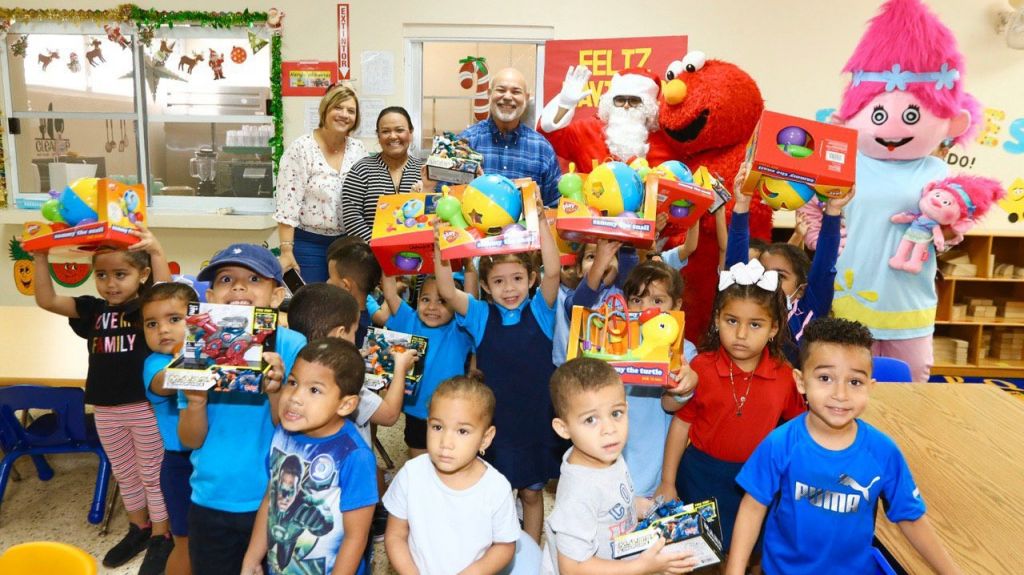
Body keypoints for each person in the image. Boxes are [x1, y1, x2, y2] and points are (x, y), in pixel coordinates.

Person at [727, 317, 962, 575]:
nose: (840, 394)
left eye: (855, 382)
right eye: (825, 378)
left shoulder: (883, 452)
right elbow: (752, 509)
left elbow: (910, 516)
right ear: (801, 381)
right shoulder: (780, 444)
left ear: (870, 387)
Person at [830, 0, 980, 381]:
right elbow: (815, 211)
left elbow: (951, 227)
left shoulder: (936, 168)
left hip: (908, 303)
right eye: (877, 114)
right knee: (843, 393)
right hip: (848, 296)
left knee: (909, 391)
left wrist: (947, 229)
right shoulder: (847, 161)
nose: (893, 127)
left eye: (911, 115)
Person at [31, 230, 173, 575]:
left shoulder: (145, 308)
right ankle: (137, 528)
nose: (110, 284)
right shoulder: (92, 311)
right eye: (102, 275)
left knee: (153, 474)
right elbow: (47, 300)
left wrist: (155, 251)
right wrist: (39, 257)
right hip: (106, 409)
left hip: (143, 406)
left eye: (120, 274)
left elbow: (167, 296)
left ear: (141, 275)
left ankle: (161, 535)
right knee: (124, 473)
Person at [433, 197, 564, 544]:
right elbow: (447, 290)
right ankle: (497, 552)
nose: (510, 288)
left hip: (536, 418)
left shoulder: (540, 310)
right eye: (500, 281)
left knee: (532, 494)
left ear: (531, 278)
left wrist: (543, 223)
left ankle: (531, 554)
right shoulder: (479, 315)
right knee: (498, 495)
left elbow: (555, 271)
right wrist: (439, 242)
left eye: (518, 278)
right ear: (487, 286)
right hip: (497, 424)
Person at [656, 259, 805, 552]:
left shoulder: (785, 375)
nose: (740, 334)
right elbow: (681, 425)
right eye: (732, 321)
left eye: (755, 324)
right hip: (700, 476)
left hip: (757, 480)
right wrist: (667, 481)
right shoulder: (701, 366)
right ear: (716, 320)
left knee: (748, 553)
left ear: (774, 328)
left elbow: (798, 431)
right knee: (694, 554)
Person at [177, 244, 306, 575]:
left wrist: (278, 391)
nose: (238, 287)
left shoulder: (292, 345)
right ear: (211, 296)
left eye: (253, 278)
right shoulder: (197, 346)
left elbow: (296, 429)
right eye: (225, 279)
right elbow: (190, 440)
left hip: (273, 497)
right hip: (210, 496)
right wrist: (195, 401)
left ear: (276, 296)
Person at [543, 357, 699, 575]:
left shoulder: (607, 455)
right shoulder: (577, 493)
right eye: (590, 420)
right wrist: (641, 567)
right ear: (563, 428)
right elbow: (573, 568)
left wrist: (641, 506)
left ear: (627, 409)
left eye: (616, 414)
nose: (609, 429)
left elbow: (610, 504)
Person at [241, 339, 378, 575]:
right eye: (293, 382)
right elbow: (271, 499)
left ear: (346, 404)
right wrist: (253, 558)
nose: (295, 397)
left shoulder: (354, 455)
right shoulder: (283, 433)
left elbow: (357, 537)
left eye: (314, 390)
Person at [384, 375, 521, 574]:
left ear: (485, 438)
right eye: (437, 427)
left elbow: (505, 546)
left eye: (462, 431)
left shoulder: (496, 488)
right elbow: (395, 535)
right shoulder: (411, 474)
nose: (446, 442)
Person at [726, 164, 855, 365]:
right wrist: (741, 204)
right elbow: (735, 262)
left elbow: (823, 266)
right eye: (762, 273)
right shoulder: (744, 302)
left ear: (801, 290)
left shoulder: (808, 309)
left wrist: (832, 211)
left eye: (780, 276)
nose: (768, 279)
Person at [274, 84, 368, 282]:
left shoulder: (358, 150)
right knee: (314, 304)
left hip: (348, 243)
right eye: (338, 107)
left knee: (348, 304)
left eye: (351, 111)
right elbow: (287, 205)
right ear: (325, 109)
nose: (344, 114)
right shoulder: (302, 148)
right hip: (310, 243)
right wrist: (286, 250)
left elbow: (367, 196)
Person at [140, 282, 200, 575]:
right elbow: (165, 382)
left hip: (212, 460)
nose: (162, 330)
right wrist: (201, 352)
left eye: (174, 319)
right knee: (185, 543)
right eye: (152, 324)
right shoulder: (154, 364)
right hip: (179, 466)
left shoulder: (206, 356)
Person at [380, 274, 475, 459]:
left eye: (442, 301)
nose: (432, 307)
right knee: (419, 459)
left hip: (451, 410)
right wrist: (388, 259)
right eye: (425, 299)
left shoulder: (460, 328)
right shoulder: (409, 319)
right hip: (416, 411)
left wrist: (470, 266)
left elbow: (471, 302)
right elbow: (391, 294)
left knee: (448, 457)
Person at [452, 67, 561, 206]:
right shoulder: (465, 143)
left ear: (526, 98)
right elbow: (445, 198)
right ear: (489, 94)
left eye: (516, 92)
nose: (508, 97)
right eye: (501, 90)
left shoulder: (542, 149)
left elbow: (554, 206)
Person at [539, 66, 662, 168]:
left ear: (648, 106)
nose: (626, 105)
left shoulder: (663, 140)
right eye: (619, 99)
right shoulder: (587, 130)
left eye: (634, 101)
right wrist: (564, 105)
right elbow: (548, 138)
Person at [341, 107, 425, 242]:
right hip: (371, 256)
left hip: (417, 254)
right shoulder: (361, 170)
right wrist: (380, 247)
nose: (393, 136)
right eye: (385, 131)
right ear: (378, 136)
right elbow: (352, 218)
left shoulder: (424, 171)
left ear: (410, 132)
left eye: (399, 130)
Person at [326, 240, 382, 346]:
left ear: (346, 286)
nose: (327, 282)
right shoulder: (361, 321)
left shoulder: (353, 330)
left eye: (331, 277)